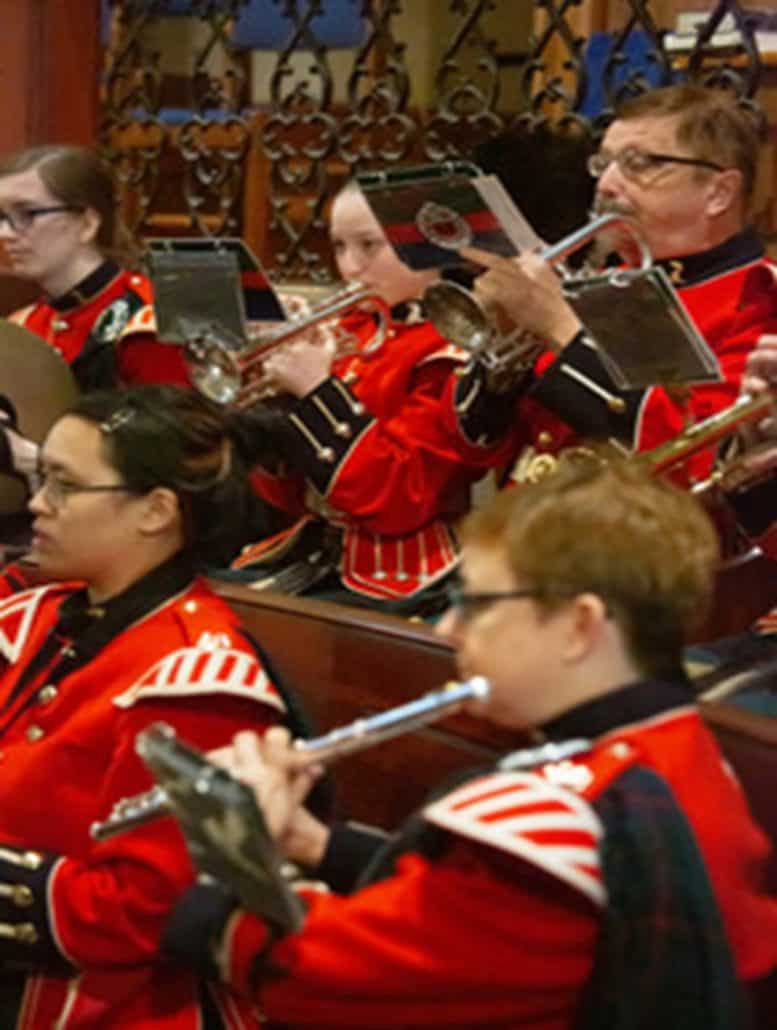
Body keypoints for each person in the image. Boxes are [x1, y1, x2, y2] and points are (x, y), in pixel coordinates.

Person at [164, 457, 777, 1028]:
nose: (450, 629)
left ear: (578, 625)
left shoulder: (565, 818)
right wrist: (313, 844)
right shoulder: (680, 749)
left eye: (474, 604)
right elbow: (476, 921)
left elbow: (313, 978)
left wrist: (237, 855)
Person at [0, 385, 296, 1028]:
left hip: (94, 1000)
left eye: (64, 485)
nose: (37, 504)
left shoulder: (198, 679)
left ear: (156, 511)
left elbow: (146, 910)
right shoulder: (41, 613)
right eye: (42, 477)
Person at [445, 84, 777, 489]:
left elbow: (699, 463)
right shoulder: (598, 281)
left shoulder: (759, 293)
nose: (605, 185)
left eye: (638, 163)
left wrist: (561, 328)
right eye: (603, 164)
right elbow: (474, 449)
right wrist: (499, 358)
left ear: (718, 192)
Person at [219, 181, 498, 615]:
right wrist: (269, 407)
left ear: (430, 248)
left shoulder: (449, 349)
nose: (350, 267)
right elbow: (288, 497)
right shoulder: (350, 329)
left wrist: (316, 392)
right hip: (314, 546)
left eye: (370, 246)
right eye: (339, 247)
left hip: (405, 566)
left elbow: (398, 500)